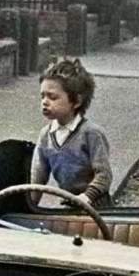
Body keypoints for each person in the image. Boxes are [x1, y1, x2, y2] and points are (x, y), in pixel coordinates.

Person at [29, 56, 113, 202]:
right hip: (69, 205)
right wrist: (29, 205)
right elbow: (37, 178)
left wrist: (87, 197)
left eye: (53, 97)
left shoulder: (91, 133)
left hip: (96, 207)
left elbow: (104, 175)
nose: (44, 102)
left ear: (77, 101)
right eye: (42, 96)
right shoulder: (45, 135)